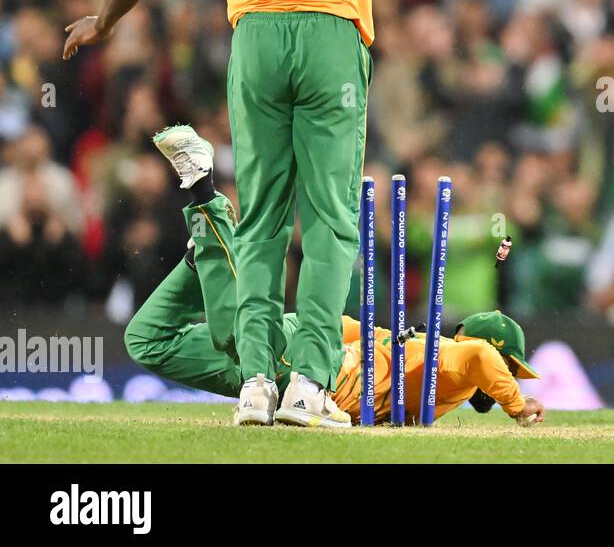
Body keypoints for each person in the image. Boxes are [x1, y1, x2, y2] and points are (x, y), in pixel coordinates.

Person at [63, 0, 585, 427]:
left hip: (254, 40)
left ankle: (256, 382)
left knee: (260, 220)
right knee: (333, 217)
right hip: (330, 38)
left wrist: (102, 21)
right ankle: (309, 383)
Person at [124, 125, 545, 427]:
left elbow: (343, 327)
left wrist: (322, 336)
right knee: (240, 335)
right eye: (511, 364)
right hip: (305, 372)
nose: (508, 374)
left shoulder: (418, 355)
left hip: (298, 357)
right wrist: (517, 404)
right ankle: (204, 195)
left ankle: (205, 255)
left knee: (146, 342)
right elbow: (480, 357)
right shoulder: (454, 365)